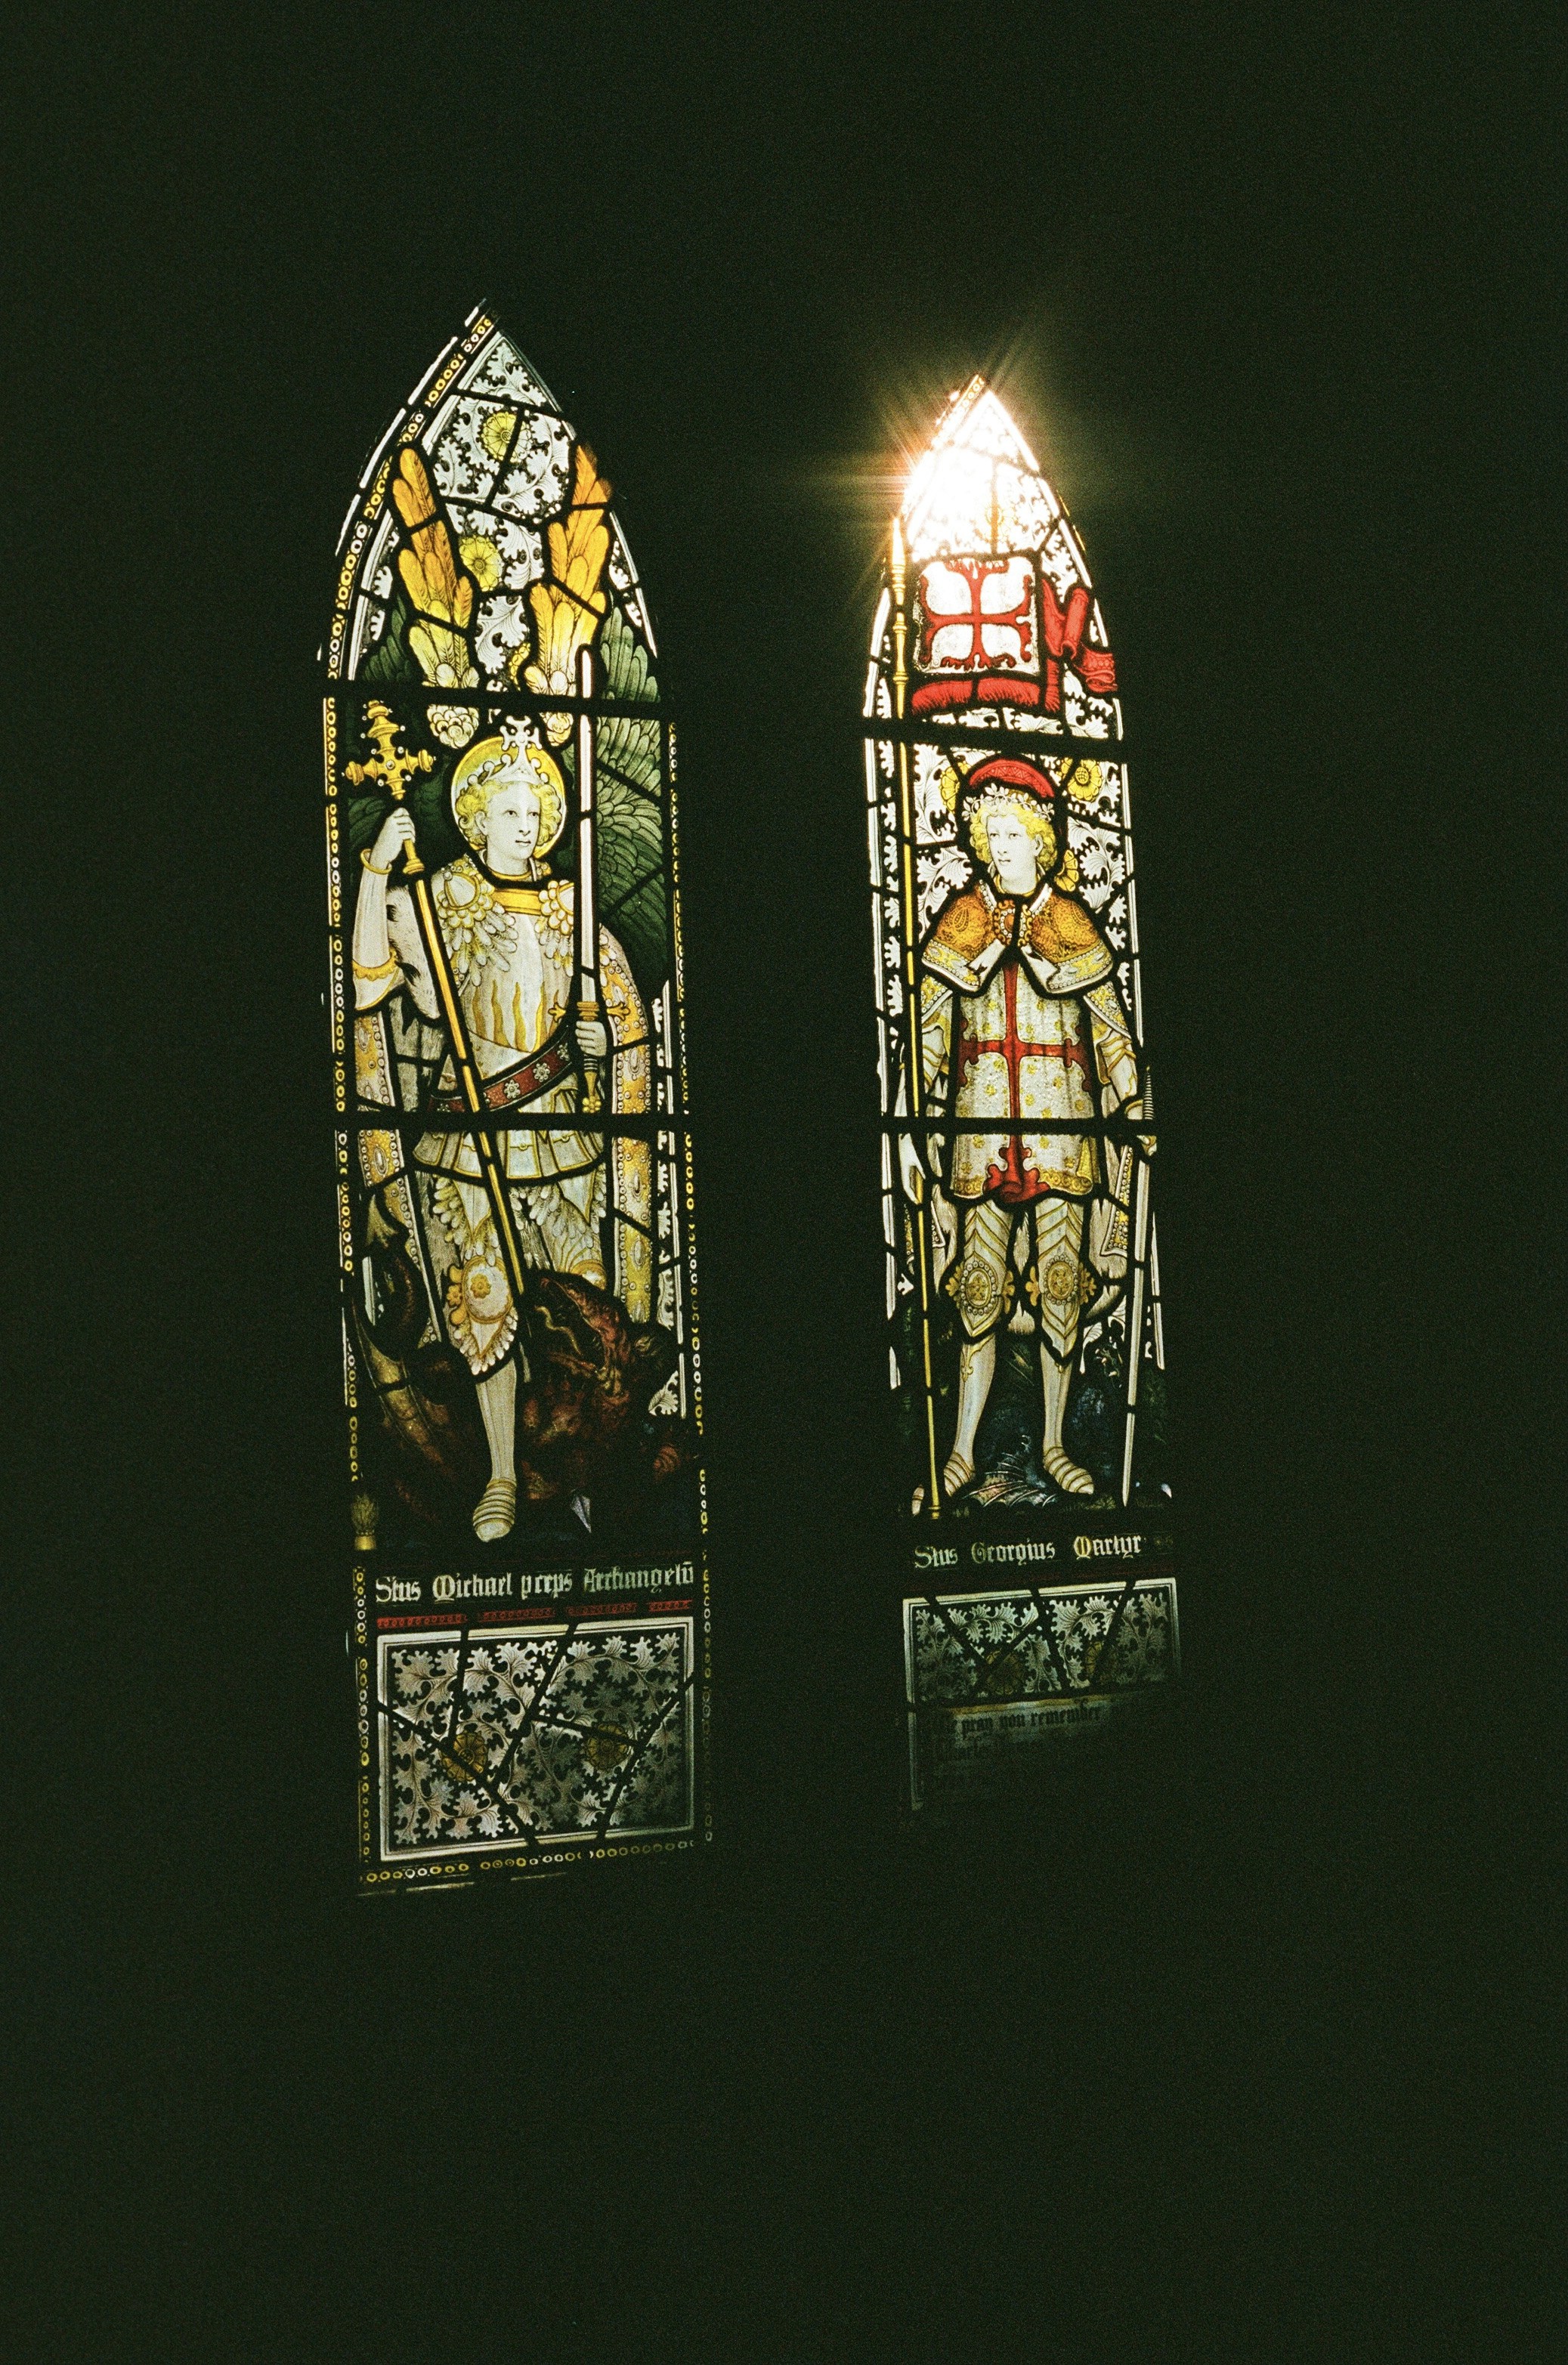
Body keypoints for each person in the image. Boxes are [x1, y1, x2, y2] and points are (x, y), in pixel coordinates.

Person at [353, 729, 651, 1541]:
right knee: (483, 1299)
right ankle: (500, 1475)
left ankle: (577, 1466)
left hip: (562, 1131)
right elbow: (371, 983)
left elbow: (615, 1022)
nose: (525, 826)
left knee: (578, 1302)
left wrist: (600, 1044)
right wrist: (378, 870)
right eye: (510, 812)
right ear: (476, 819)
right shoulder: (438, 896)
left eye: (536, 814)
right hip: (469, 1129)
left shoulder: (572, 908)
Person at [900, 754, 1149, 1499]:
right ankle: (960, 1453)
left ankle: (1053, 1445)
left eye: (1014, 834)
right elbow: (930, 1032)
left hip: (1061, 1128)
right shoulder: (962, 921)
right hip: (980, 1128)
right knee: (976, 1293)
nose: (1001, 847)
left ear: (1041, 841)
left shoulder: (1070, 923)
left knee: (1062, 1291)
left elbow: (1110, 1032)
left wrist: (1134, 1102)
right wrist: (910, 1118)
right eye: (992, 834)